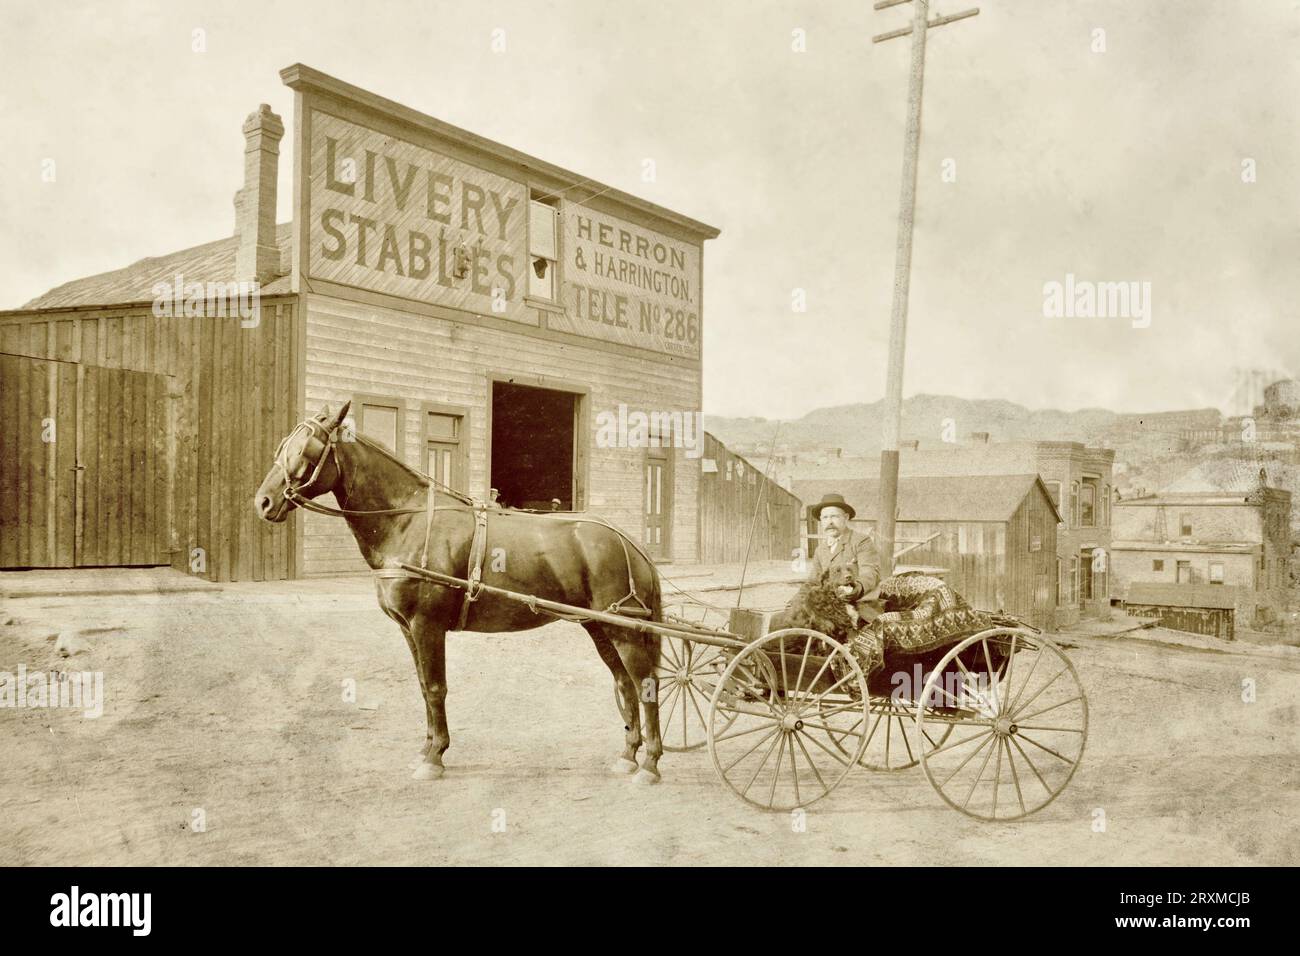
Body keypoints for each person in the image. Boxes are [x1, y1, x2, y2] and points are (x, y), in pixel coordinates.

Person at [805, 493, 882, 625]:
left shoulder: (861, 541)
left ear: (845, 518)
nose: (829, 522)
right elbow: (813, 582)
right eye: (825, 517)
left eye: (834, 516)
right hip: (833, 607)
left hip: (861, 604)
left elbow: (870, 572)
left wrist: (858, 588)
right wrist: (796, 601)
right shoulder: (820, 550)